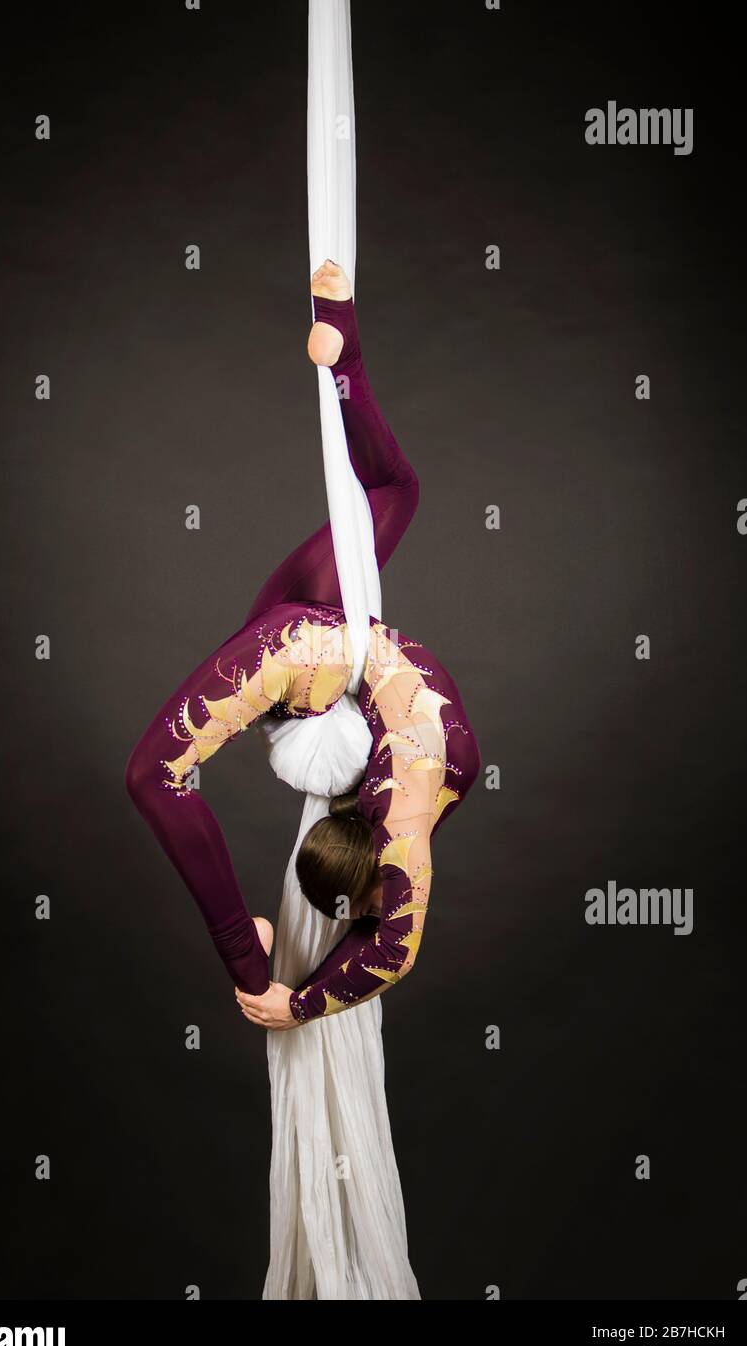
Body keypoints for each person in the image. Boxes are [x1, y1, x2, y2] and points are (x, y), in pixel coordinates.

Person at [125, 260, 480, 1029]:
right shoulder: (398, 799)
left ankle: (339, 337)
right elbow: (394, 951)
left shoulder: (429, 790)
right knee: (154, 775)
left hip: (338, 628)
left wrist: (320, 982)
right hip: (303, 644)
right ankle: (242, 950)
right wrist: (278, 991)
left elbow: (388, 934)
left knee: (393, 493)